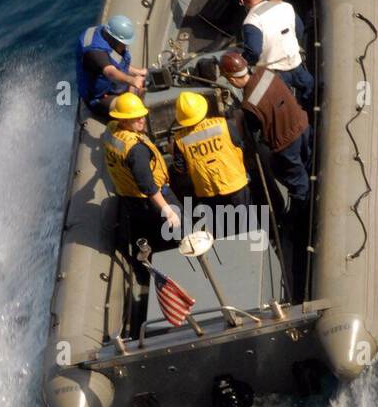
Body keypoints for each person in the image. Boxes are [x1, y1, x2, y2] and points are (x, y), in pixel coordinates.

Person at [218, 51, 311, 212]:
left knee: (295, 181)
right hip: (302, 125)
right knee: (307, 163)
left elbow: (254, 134)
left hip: (286, 143)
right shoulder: (265, 72)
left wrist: (239, 119)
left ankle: (302, 216)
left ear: (232, 79)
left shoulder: (249, 104)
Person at [102, 92, 181, 263]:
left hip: (129, 197)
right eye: (135, 118)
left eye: (142, 116)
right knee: (177, 228)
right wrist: (167, 210)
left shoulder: (111, 129)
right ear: (123, 120)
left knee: (154, 234)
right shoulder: (136, 150)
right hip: (151, 199)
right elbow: (148, 185)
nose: (142, 120)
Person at [231, 0, 314, 110]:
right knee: (310, 89)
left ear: (241, 1)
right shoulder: (286, 7)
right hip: (296, 63)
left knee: (281, 106)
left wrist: (244, 60)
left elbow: (254, 52)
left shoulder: (251, 22)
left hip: (275, 75)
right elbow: (299, 31)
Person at [171, 90, 250, 223]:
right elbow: (240, 145)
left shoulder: (179, 140)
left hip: (209, 191)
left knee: (224, 229)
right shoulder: (224, 124)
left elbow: (180, 169)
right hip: (235, 184)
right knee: (247, 223)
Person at [76, 14, 148, 123]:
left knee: (144, 89)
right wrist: (132, 80)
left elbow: (119, 64)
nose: (125, 47)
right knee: (131, 110)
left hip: (113, 86)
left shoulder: (105, 35)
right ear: (113, 39)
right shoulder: (95, 52)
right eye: (123, 44)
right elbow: (110, 72)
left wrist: (139, 72)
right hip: (100, 98)